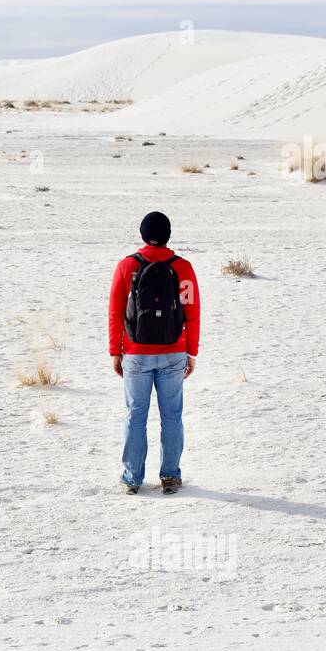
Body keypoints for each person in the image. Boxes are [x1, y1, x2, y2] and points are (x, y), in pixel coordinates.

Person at [107, 211, 200, 495]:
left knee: (135, 414)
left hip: (136, 352)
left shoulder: (126, 266)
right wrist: (191, 351)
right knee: (172, 415)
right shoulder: (183, 267)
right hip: (173, 352)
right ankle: (170, 476)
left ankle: (132, 479)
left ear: (142, 234)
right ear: (169, 235)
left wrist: (115, 351)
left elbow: (115, 311)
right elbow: (192, 312)